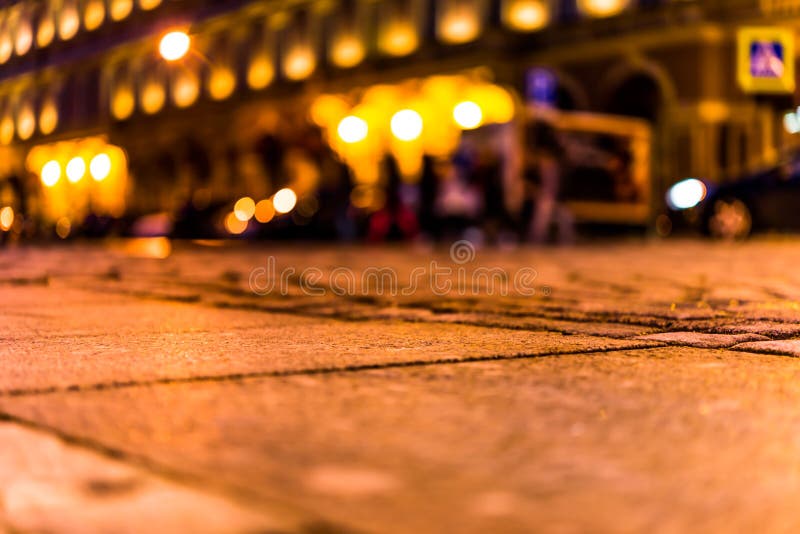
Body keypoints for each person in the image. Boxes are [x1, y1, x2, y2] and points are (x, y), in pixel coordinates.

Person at [526, 122, 574, 244]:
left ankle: (565, 242)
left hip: (555, 196)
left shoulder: (557, 162)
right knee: (542, 218)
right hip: (546, 195)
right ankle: (535, 241)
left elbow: (557, 183)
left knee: (564, 218)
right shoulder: (543, 162)